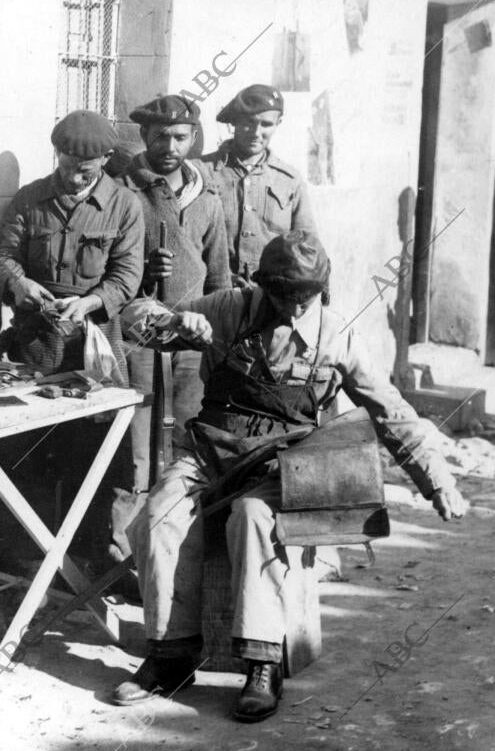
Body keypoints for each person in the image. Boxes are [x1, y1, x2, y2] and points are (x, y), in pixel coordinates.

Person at [112, 230, 467, 722]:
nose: (294, 311)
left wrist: (438, 482)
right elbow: (132, 318)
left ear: (320, 291)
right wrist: (172, 321)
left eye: (305, 299)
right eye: (283, 298)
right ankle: (172, 656)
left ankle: (262, 662)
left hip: (284, 462)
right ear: (264, 287)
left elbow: (392, 412)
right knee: (158, 514)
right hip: (212, 449)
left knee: (254, 518)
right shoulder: (230, 306)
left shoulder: (337, 335)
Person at [110, 96, 230, 564]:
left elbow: (219, 279)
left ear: (194, 138)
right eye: (160, 136)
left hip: (193, 348)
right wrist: (142, 269)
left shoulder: (208, 199)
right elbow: (111, 275)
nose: (170, 146)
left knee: (186, 449)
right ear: (144, 138)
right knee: (136, 452)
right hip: (141, 342)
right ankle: (125, 559)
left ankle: (176, 557)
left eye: (180, 137)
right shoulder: (123, 191)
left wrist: (218, 341)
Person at [0, 109, 144, 384]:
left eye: (85, 171)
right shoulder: (28, 198)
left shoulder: (125, 205)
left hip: (95, 339)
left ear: (106, 158)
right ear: (57, 154)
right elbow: (6, 257)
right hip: (34, 340)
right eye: (66, 167)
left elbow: (127, 276)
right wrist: (17, 283)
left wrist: (90, 302)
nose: (73, 178)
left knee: (91, 421)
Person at [201, 84, 315, 286]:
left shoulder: (290, 181)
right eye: (248, 123)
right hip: (213, 293)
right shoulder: (203, 172)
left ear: (278, 123)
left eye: (266, 124)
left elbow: (306, 247)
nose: (256, 132)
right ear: (234, 122)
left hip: (269, 297)